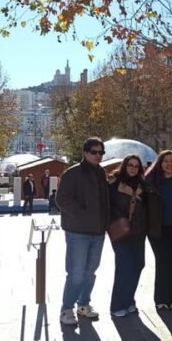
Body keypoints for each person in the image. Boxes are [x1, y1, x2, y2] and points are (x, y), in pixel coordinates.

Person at [57, 137, 110, 325]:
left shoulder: (101, 173)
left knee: (90, 272)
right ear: (85, 153)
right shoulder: (73, 173)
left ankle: (83, 304)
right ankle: (66, 308)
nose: (98, 156)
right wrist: (83, 214)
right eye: (94, 152)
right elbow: (62, 200)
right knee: (76, 272)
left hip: (98, 232)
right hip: (77, 232)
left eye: (101, 152)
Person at [144, 150, 172, 310]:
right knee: (162, 263)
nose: (169, 164)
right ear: (160, 163)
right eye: (165, 161)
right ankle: (161, 299)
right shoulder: (150, 181)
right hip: (158, 229)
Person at [107, 155, 149, 317]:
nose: (132, 168)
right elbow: (109, 206)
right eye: (130, 165)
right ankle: (117, 304)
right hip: (120, 231)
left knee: (138, 264)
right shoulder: (113, 184)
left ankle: (129, 300)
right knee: (124, 266)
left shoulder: (143, 185)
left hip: (139, 231)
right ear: (124, 166)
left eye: (136, 166)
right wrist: (120, 219)